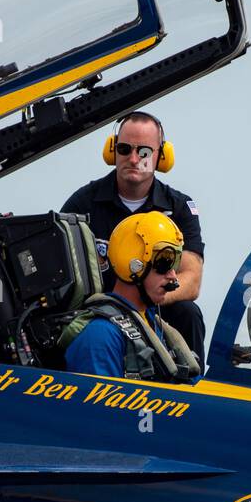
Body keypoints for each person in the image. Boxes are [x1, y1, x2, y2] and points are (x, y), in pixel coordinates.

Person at [61, 111, 206, 363]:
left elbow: (191, 280)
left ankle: (191, 392)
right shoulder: (83, 203)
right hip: (96, 313)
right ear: (112, 151)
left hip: (155, 308)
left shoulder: (179, 207)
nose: (134, 158)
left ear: (161, 156)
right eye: (125, 149)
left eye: (145, 152)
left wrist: (144, 302)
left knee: (188, 313)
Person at [61, 211, 200, 382]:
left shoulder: (152, 326)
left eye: (175, 263)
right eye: (165, 262)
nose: (173, 276)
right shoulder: (101, 336)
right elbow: (98, 406)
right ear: (134, 264)